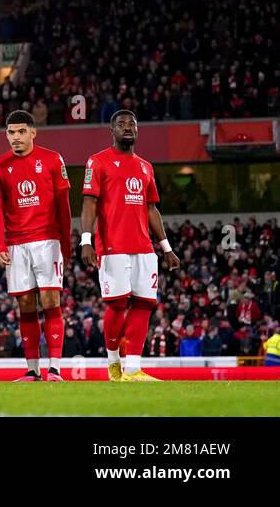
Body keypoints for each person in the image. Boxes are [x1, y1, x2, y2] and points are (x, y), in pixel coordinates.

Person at [80, 111, 181, 381]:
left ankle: (134, 369)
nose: (128, 128)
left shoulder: (146, 166)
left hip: (145, 248)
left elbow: (151, 209)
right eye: (121, 124)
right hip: (113, 246)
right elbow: (89, 203)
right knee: (117, 305)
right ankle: (113, 361)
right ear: (111, 131)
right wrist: (86, 241)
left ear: (138, 130)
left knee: (145, 305)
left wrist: (166, 247)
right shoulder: (97, 161)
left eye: (132, 124)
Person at [0, 110, 73, 381]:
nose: (15, 137)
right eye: (11, 132)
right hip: (16, 243)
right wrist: (0, 243)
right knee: (25, 305)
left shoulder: (52, 159)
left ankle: (55, 368)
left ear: (33, 132)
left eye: (21, 131)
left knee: (50, 300)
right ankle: (32, 369)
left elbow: (63, 205)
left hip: (47, 240)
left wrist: (66, 243)